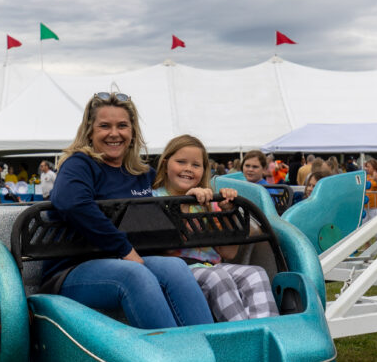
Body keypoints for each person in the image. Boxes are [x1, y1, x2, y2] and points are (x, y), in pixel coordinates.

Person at [45, 92, 213, 329]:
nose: (114, 133)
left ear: (132, 132)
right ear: (90, 131)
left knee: (175, 266)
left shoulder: (141, 173)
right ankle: (175, 359)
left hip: (131, 260)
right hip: (72, 270)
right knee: (136, 275)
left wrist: (194, 192)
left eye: (122, 125)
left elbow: (169, 195)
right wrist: (123, 249)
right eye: (105, 126)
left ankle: (211, 350)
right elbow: (71, 203)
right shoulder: (80, 164)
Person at [152, 135, 279, 322]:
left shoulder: (209, 203)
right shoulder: (154, 199)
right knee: (217, 277)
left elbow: (228, 253)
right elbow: (168, 245)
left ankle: (266, 332)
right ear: (165, 164)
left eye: (196, 165)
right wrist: (185, 203)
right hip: (177, 271)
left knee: (255, 274)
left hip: (211, 267)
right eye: (181, 162)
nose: (188, 169)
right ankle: (244, 336)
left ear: (204, 170)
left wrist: (227, 212)